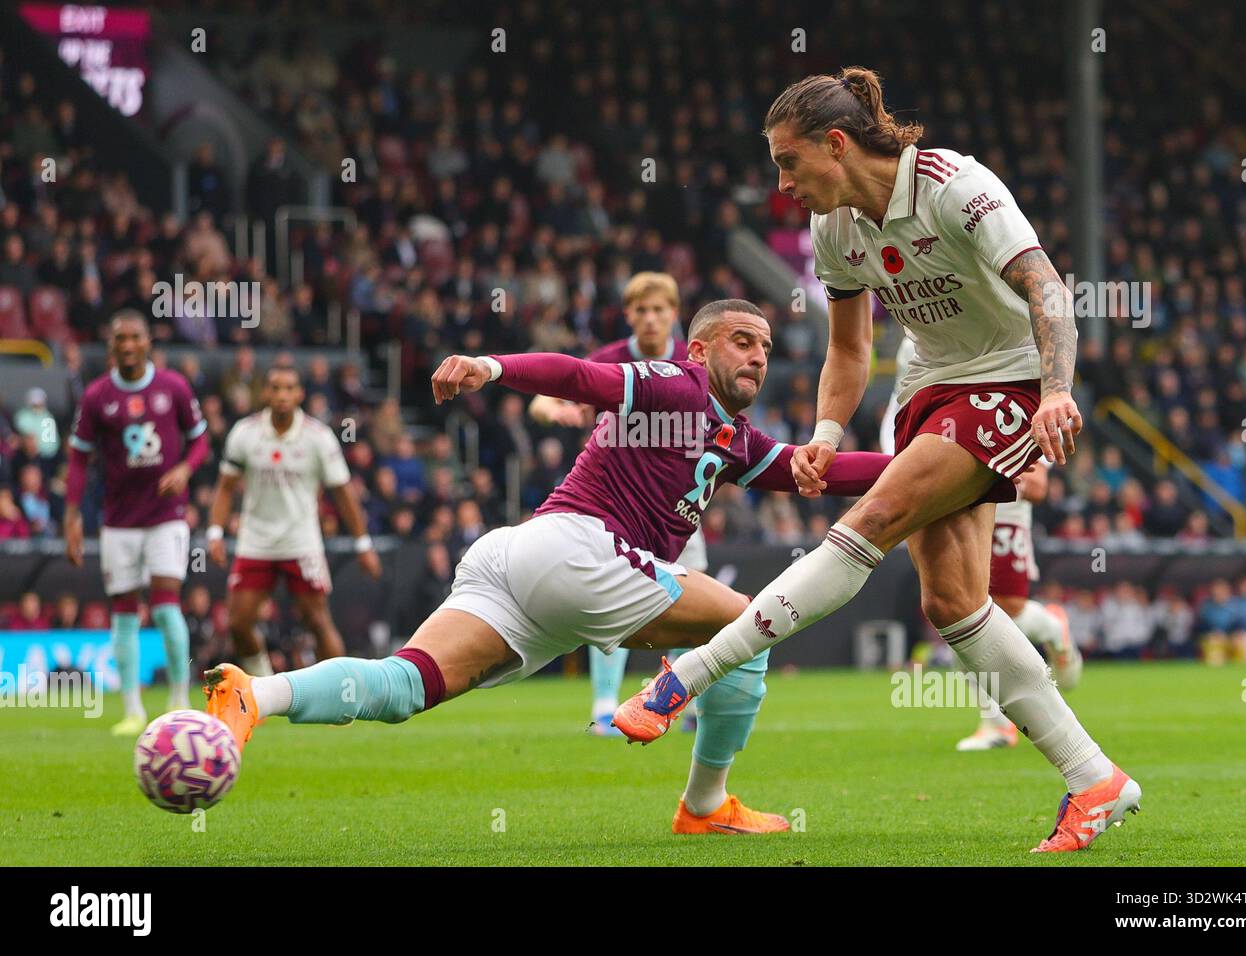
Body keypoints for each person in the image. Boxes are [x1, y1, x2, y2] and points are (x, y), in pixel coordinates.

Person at [614, 67, 1140, 853]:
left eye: (789, 163)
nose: (782, 184)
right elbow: (852, 349)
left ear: (835, 144)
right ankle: (1094, 778)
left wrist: (1058, 391)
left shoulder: (954, 184)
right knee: (954, 604)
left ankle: (685, 678)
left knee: (877, 517)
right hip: (927, 385)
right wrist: (826, 433)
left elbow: (1047, 289)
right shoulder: (837, 229)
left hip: (1011, 378)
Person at [204, 299, 891, 835]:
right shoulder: (673, 385)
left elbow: (825, 473)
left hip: (520, 560)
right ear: (700, 348)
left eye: (767, 347)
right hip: (577, 550)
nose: (759, 357)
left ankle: (255, 697)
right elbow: (578, 376)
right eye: (744, 342)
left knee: (403, 689)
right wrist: (492, 366)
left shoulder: (735, 438)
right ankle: (702, 795)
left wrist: (941, 471)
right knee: (750, 628)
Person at [881, 338, 1082, 751]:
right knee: (956, 603)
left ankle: (1045, 624)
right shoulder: (913, 345)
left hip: (1003, 480)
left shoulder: (1000, 326)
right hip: (941, 478)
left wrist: (1034, 464)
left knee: (1001, 607)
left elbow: (1033, 391)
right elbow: (898, 414)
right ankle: (996, 722)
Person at [529, 271, 704, 735]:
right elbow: (543, 400)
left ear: (674, 314)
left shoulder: (693, 362)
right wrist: (559, 410)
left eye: (658, 310)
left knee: (692, 602)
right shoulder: (610, 359)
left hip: (680, 506)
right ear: (628, 315)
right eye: (640, 311)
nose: (649, 319)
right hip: (618, 507)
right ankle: (606, 705)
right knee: (613, 599)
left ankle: (677, 698)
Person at [64, 310, 210, 735]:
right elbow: (77, 456)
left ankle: (180, 701)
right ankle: (132, 710)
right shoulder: (97, 396)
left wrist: (185, 470)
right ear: (111, 346)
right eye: (119, 339)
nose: (128, 346)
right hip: (118, 522)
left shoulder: (173, 387)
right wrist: (72, 516)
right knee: (124, 615)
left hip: (166, 517)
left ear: (148, 342)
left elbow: (200, 438)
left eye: (135, 338)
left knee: (166, 608)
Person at [207, 363, 381, 675]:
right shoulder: (244, 433)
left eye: (289, 388)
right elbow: (225, 487)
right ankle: (262, 681)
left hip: (301, 541)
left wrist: (363, 544)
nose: (282, 395)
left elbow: (343, 493)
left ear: (300, 393)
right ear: (265, 393)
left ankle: (339, 695)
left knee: (316, 620)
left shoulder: (318, 437)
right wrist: (215, 533)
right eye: (275, 388)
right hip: (256, 540)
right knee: (238, 622)